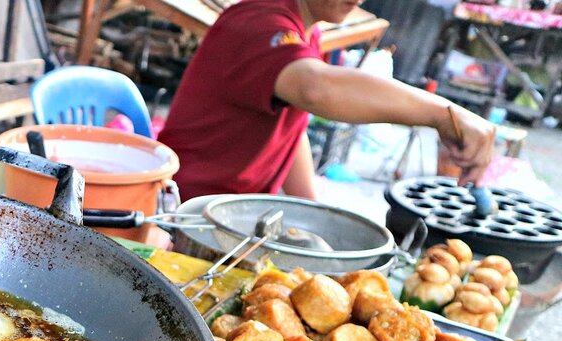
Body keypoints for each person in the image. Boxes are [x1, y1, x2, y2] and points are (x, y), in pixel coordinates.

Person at [160, 0, 495, 199]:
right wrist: (443, 113)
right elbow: (315, 89)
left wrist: (312, 214)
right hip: (186, 207)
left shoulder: (307, 30)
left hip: (238, 212)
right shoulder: (259, 23)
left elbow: (290, 131)